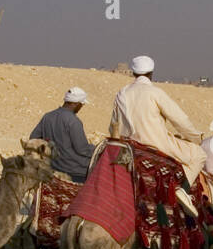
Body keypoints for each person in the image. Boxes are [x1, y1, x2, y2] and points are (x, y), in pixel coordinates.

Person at [110, 56, 204, 214]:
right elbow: (179, 121)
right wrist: (195, 138)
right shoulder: (155, 93)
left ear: (133, 73)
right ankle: (183, 191)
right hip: (156, 145)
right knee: (199, 154)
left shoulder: (122, 94)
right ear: (151, 73)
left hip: (130, 147)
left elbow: (114, 125)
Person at [30, 87, 93, 183]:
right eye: (81, 104)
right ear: (75, 103)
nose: (81, 107)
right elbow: (82, 149)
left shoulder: (48, 116)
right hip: (75, 171)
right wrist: (97, 150)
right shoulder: (73, 121)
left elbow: (33, 137)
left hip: (53, 167)